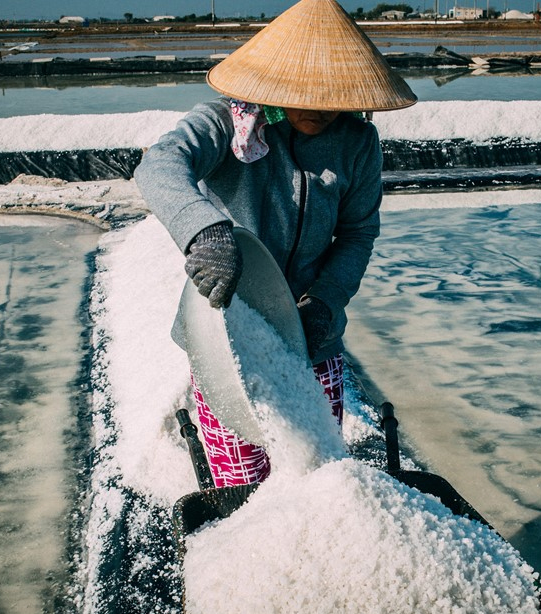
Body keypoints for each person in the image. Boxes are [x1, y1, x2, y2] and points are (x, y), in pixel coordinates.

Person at [134, 0, 416, 489]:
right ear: (275, 86)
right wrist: (204, 230)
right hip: (227, 324)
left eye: (335, 98)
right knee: (243, 482)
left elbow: (357, 233)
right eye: (307, 95)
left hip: (312, 332)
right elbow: (159, 165)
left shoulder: (356, 142)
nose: (323, 110)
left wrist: (326, 301)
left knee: (316, 470)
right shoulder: (226, 124)